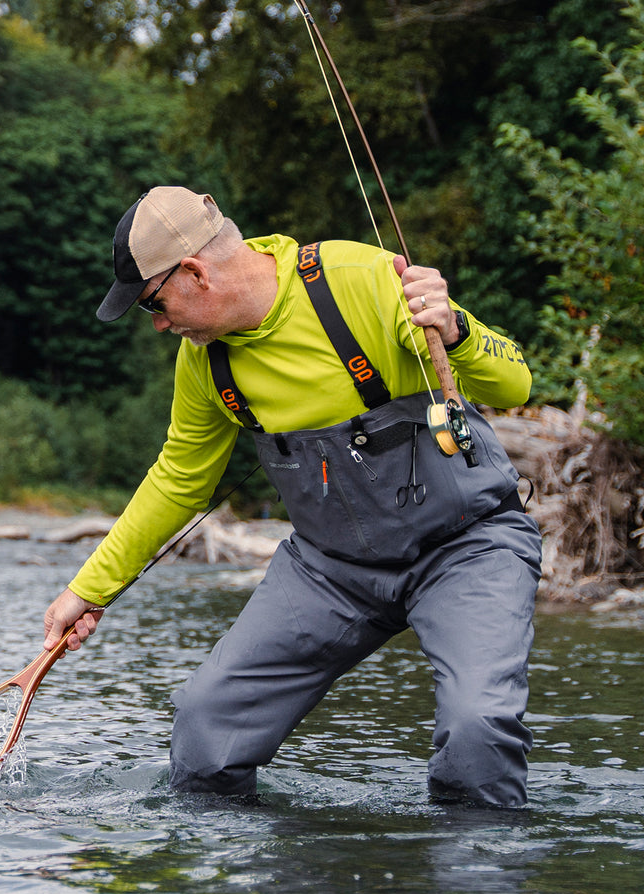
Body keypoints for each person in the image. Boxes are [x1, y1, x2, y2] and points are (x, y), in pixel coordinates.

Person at [44, 186, 542, 807]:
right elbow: (179, 478)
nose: (160, 324)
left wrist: (459, 329)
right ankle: (250, 887)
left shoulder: (358, 279)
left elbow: (516, 379)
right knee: (204, 732)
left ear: (195, 272)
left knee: (477, 734)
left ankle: (477, 889)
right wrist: (88, 590)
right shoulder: (204, 362)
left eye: (155, 302)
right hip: (332, 571)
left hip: (468, 547)